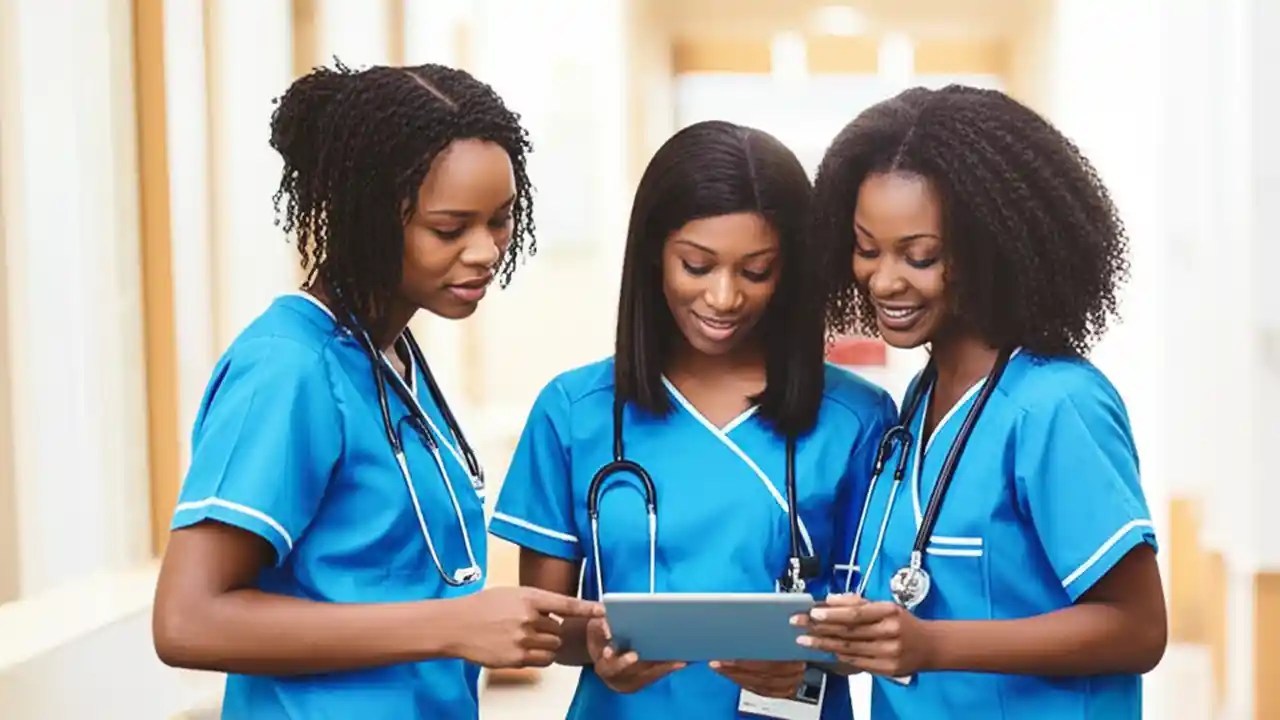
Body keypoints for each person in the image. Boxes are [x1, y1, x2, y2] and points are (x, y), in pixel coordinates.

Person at [151, 61, 601, 720]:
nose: (485, 251)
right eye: (450, 228)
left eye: (501, 219)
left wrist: (576, 633)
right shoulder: (289, 367)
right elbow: (188, 620)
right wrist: (451, 627)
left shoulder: (390, 355)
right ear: (366, 217)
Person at [487, 119, 897, 720]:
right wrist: (597, 648)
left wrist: (808, 658)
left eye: (756, 271)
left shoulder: (856, 418)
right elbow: (547, 626)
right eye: (697, 266)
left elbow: (881, 625)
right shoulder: (573, 411)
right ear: (654, 254)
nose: (725, 297)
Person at [794, 85, 1168, 719]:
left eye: (920, 256)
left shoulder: (1055, 405)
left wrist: (931, 645)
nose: (885, 281)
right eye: (866, 249)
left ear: (992, 246)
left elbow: (1137, 628)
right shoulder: (911, 411)